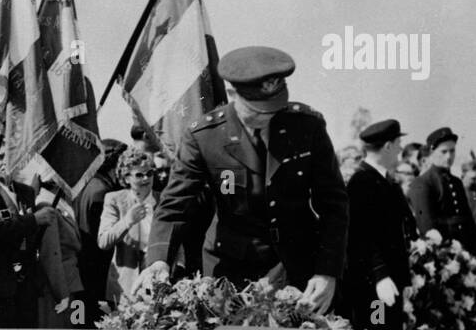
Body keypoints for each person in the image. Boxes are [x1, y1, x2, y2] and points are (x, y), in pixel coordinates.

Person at [143, 46, 348, 313]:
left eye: (275, 108)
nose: (268, 116)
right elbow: (174, 205)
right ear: (232, 95)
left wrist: (327, 272)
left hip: (297, 264)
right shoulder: (205, 136)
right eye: (258, 110)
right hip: (229, 267)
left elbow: (334, 205)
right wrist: (158, 259)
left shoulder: (307, 127)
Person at [0, 138, 55, 329]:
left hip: (27, 282)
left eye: (10, 157)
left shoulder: (26, 192)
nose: (5, 162)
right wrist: (33, 220)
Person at [344, 119, 416, 330]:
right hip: (374, 285)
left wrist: (403, 277)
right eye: (397, 144)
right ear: (387, 146)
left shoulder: (385, 182)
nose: (400, 150)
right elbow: (360, 236)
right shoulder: (362, 182)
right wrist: (380, 275)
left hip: (391, 281)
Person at [407, 126, 476, 255]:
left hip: (465, 251)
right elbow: (427, 228)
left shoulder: (456, 182)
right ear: (432, 153)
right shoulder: (422, 183)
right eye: (443, 152)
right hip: (444, 256)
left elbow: (468, 222)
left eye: (452, 151)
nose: (449, 156)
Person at [72, 138, 126, 316]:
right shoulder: (102, 192)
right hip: (96, 270)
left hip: (85, 268)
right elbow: (100, 240)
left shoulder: (88, 184)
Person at [97, 143, 155, 304]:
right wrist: (127, 221)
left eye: (149, 173)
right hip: (126, 287)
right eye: (139, 175)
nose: (146, 179)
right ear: (126, 177)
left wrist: (179, 262)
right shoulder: (114, 199)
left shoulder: (164, 199)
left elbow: (174, 236)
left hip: (157, 283)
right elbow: (103, 241)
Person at [32, 180, 83, 328]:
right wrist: (61, 294)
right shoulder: (46, 204)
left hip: (69, 281)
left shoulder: (61, 202)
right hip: (57, 288)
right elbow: (51, 254)